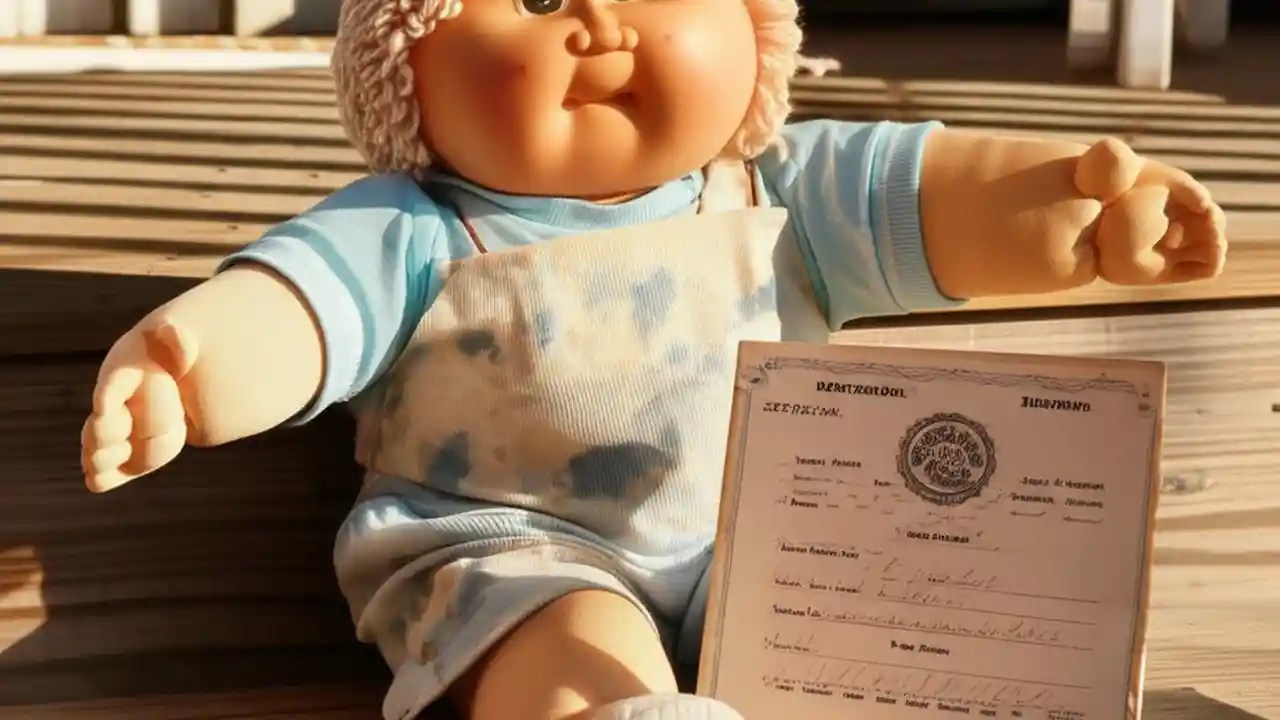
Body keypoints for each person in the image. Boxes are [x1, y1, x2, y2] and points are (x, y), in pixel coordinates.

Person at [79, 1, 1227, 719]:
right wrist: (191, 367)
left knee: (860, 621)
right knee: (562, 646)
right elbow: (300, 307)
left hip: (776, 535)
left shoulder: (780, 191)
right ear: (404, 69)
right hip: (511, 544)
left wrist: (1076, 218)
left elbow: (929, 200)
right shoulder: (416, 227)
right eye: (531, 0)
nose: (597, 23)